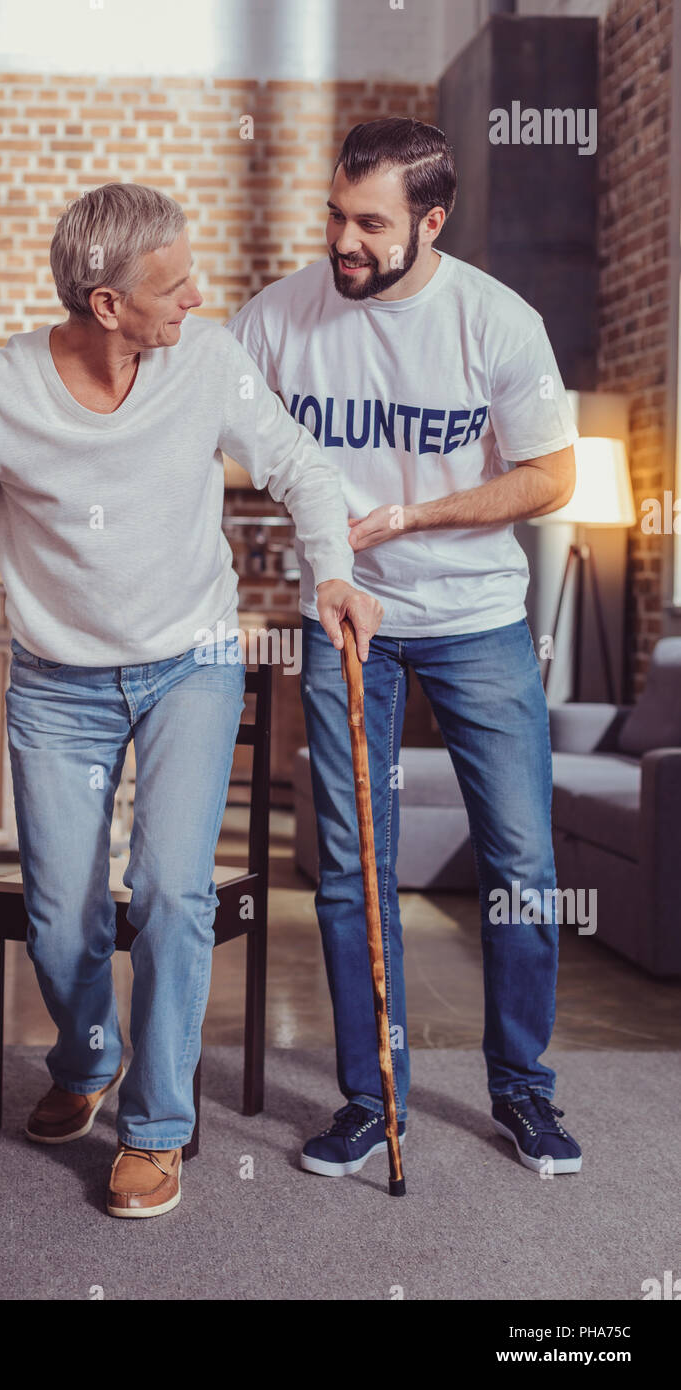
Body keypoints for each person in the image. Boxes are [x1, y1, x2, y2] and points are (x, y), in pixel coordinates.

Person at [0, 182, 381, 1218]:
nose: (196, 293)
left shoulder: (203, 362)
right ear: (104, 305)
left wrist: (328, 568)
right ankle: (87, 1053)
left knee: (168, 888)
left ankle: (155, 1127)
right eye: (171, 284)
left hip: (190, 663)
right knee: (62, 914)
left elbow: (299, 468)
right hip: (55, 683)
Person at [227, 117, 584, 1179]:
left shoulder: (496, 321)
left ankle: (521, 1090)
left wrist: (417, 518)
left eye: (369, 222)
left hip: (475, 617)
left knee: (519, 860)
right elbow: (202, 418)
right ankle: (368, 1096)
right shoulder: (279, 316)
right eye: (335, 213)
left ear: (429, 221)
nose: (343, 238)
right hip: (344, 618)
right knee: (349, 865)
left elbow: (549, 476)